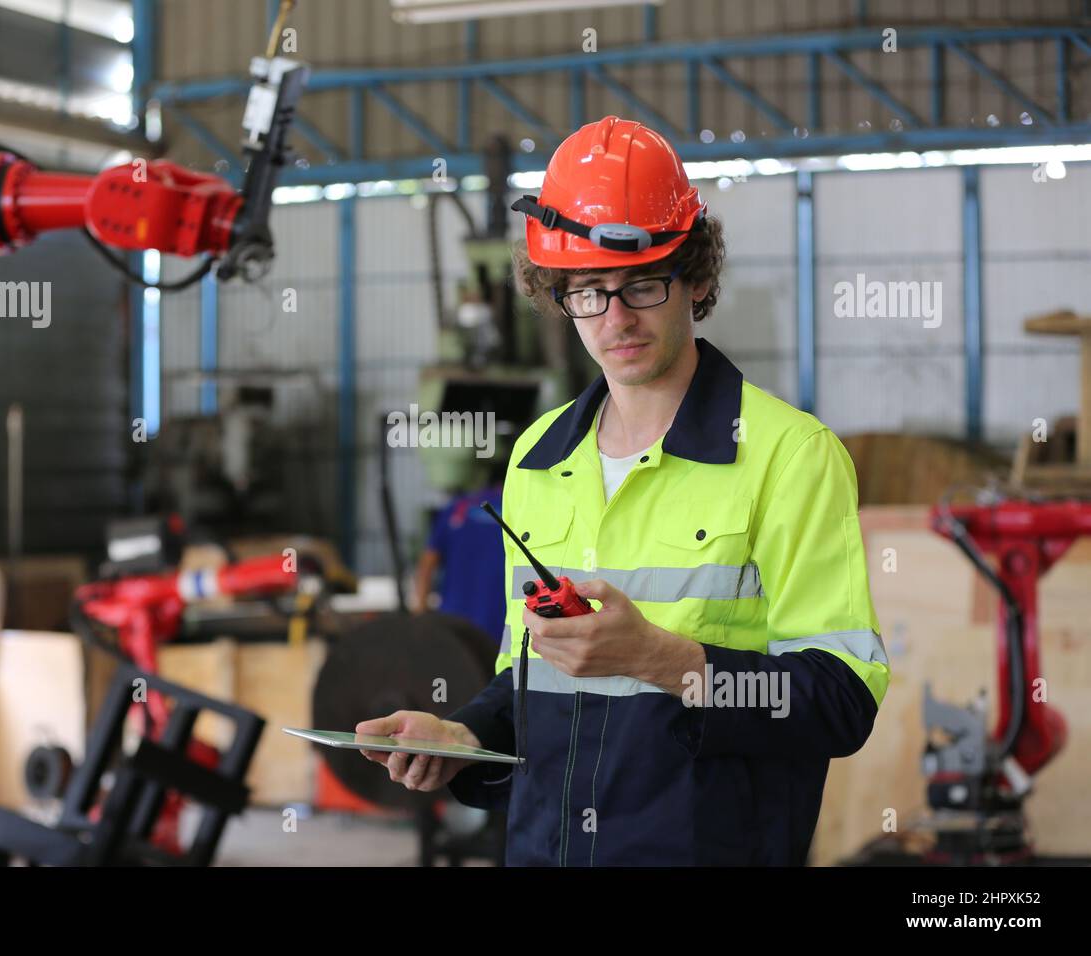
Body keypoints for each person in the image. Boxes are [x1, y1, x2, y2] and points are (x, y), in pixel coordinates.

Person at [358, 116, 888, 866]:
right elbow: (531, 676)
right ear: (557, 294)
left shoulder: (789, 456)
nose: (616, 319)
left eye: (642, 284)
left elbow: (838, 701)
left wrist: (661, 660)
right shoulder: (538, 459)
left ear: (696, 277)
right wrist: (468, 736)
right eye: (587, 292)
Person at [411, 464, 507, 644]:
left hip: (455, 620)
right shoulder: (521, 509)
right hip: (504, 622)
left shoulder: (457, 508)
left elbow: (427, 564)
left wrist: (421, 613)